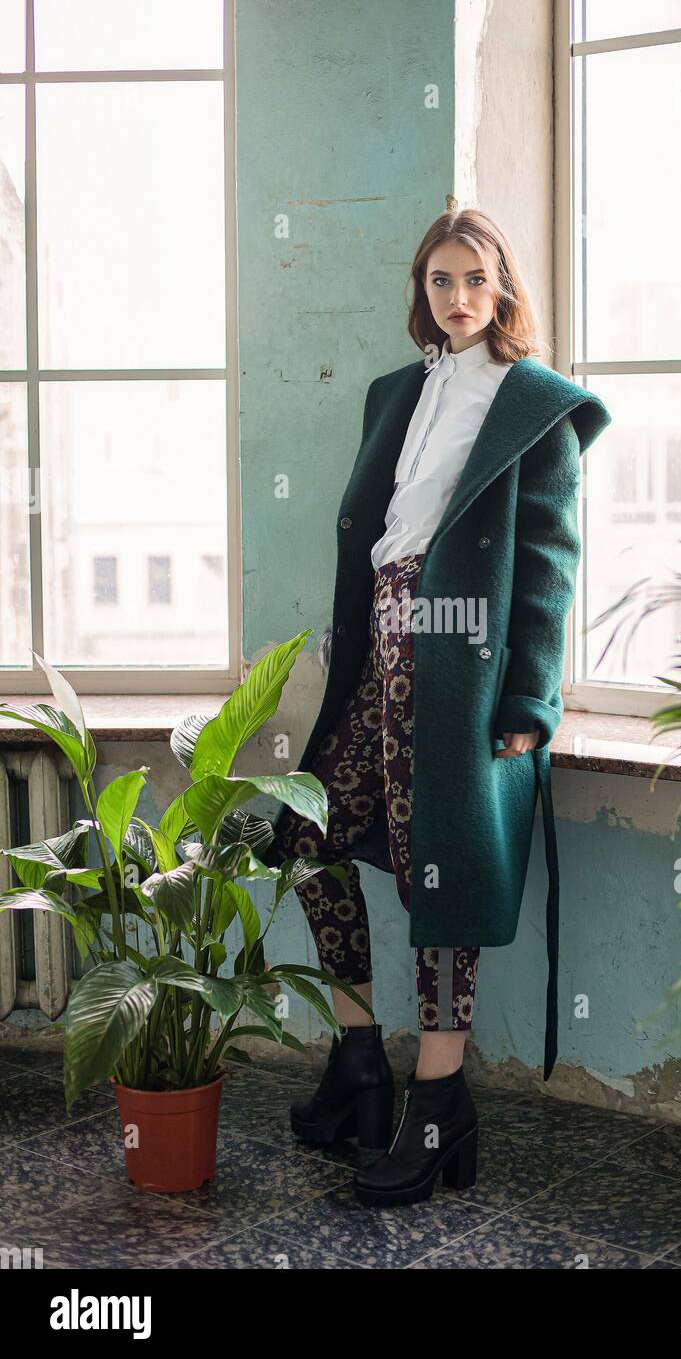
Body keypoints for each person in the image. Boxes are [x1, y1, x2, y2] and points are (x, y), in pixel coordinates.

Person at [267, 208, 611, 1206]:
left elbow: (546, 564)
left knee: (437, 873)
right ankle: (361, 1057)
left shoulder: (534, 405)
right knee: (310, 836)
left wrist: (527, 699)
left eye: (474, 279)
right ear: (419, 292)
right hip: (376, 647)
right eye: (438, 280)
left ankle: (436, 1100)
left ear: (503, 287)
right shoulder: (396, 394)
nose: (456, 297)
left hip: (458, 664)